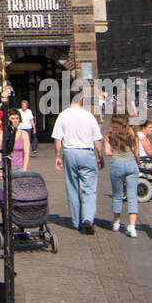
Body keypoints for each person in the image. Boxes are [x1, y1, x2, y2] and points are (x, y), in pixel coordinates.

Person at [52, 94, 104, 234]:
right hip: (87, 153)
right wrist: (100, 156)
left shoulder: (62, 116)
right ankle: (88, 218)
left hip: (69, 152)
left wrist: (58, 156)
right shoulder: (89, 116)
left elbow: (58, 139)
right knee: (90, 189)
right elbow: (97, 139)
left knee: (72, 187)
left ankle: (76, 222)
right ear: (81, 101)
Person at [104, 114, 140, 237]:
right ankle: (132, 226)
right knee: (132, 196)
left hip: (117, 164)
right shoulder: (131, 130)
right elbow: (137, 151)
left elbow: (107, 152)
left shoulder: (109, 131)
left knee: (117, 195)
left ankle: (117, 222)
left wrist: (116, 152)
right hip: (131, 163)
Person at [0, 108, 30, 173]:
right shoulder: (1, 134)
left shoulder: (24, 134)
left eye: (17, 118)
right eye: (12, 118)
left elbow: (27, 153)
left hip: (19, 168)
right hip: (5, 167)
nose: (15, 121)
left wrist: (24, 169)